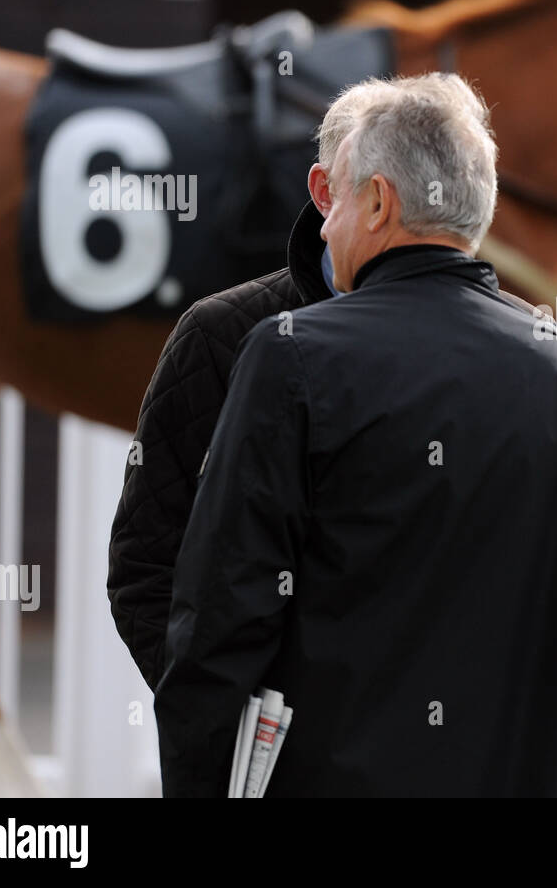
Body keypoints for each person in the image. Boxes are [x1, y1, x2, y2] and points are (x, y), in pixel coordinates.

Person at [153, 73, 557, 797]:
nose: (325, 225)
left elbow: (221, 620)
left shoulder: (289, 354)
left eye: (335, 199)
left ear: (377, 202)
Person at [107, 81, 375, 692]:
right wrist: (216, 724)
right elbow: (146, 565)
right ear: (324, 192)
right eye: (378, 192)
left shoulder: (511, 345)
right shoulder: (219, 335)